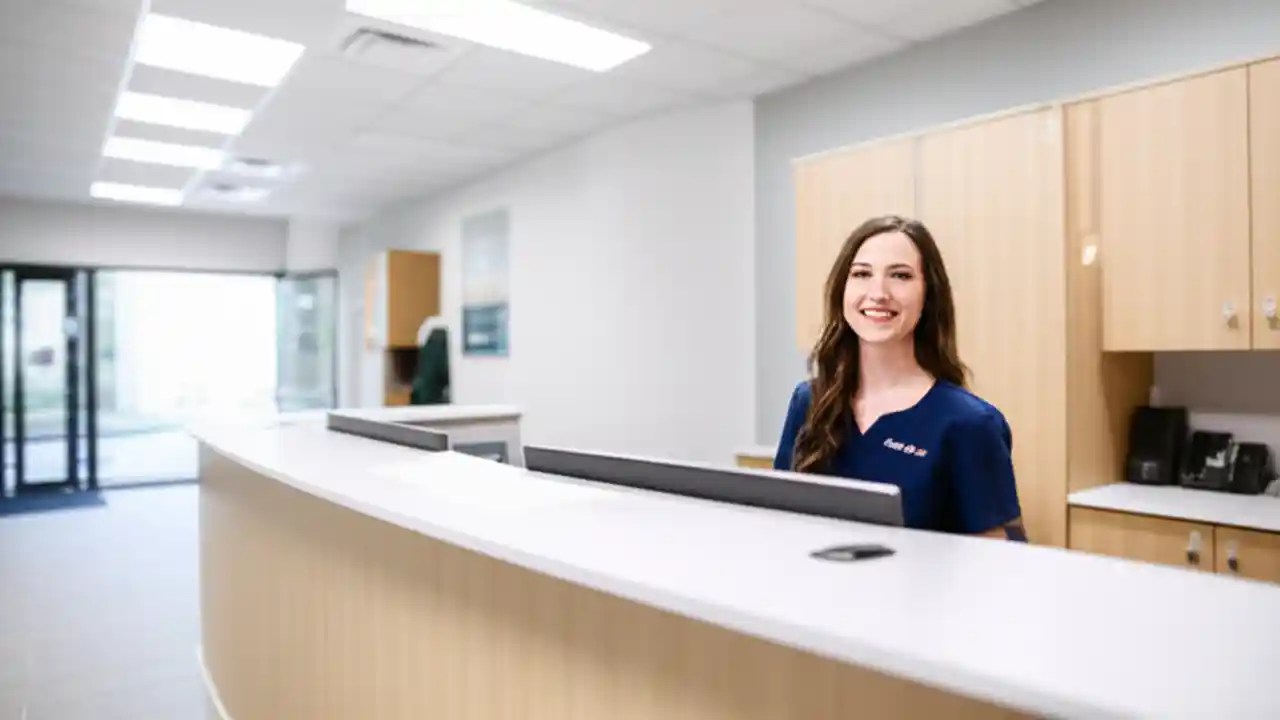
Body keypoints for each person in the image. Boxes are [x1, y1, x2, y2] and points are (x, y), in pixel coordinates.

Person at [774, 215, 1026, 541]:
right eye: (862, 274)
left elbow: (998, 561)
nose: (878, 292)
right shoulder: (809, 402)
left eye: (900, 276)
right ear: (842, 290)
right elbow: (777, 521)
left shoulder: (969, 424)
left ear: (928, 296)